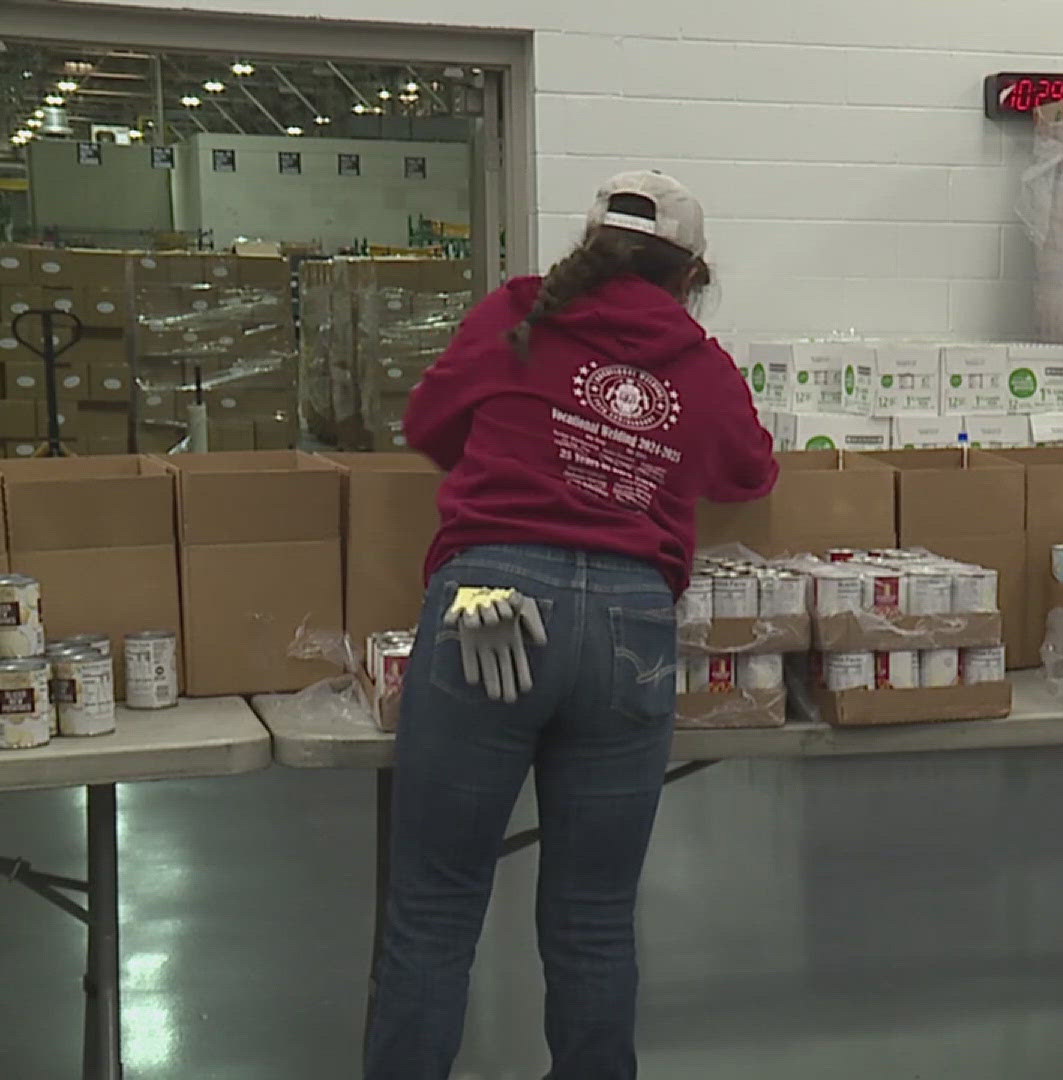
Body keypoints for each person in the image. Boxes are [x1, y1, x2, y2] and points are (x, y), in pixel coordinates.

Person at [363, 171, 778, 1079]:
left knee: (435, 906)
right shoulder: (699, 361)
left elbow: (430, 422)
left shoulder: (515, 313)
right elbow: (749, 474)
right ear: (693, 273)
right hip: (631, 617)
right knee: (593, 918)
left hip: (488, 598)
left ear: (584, 245)